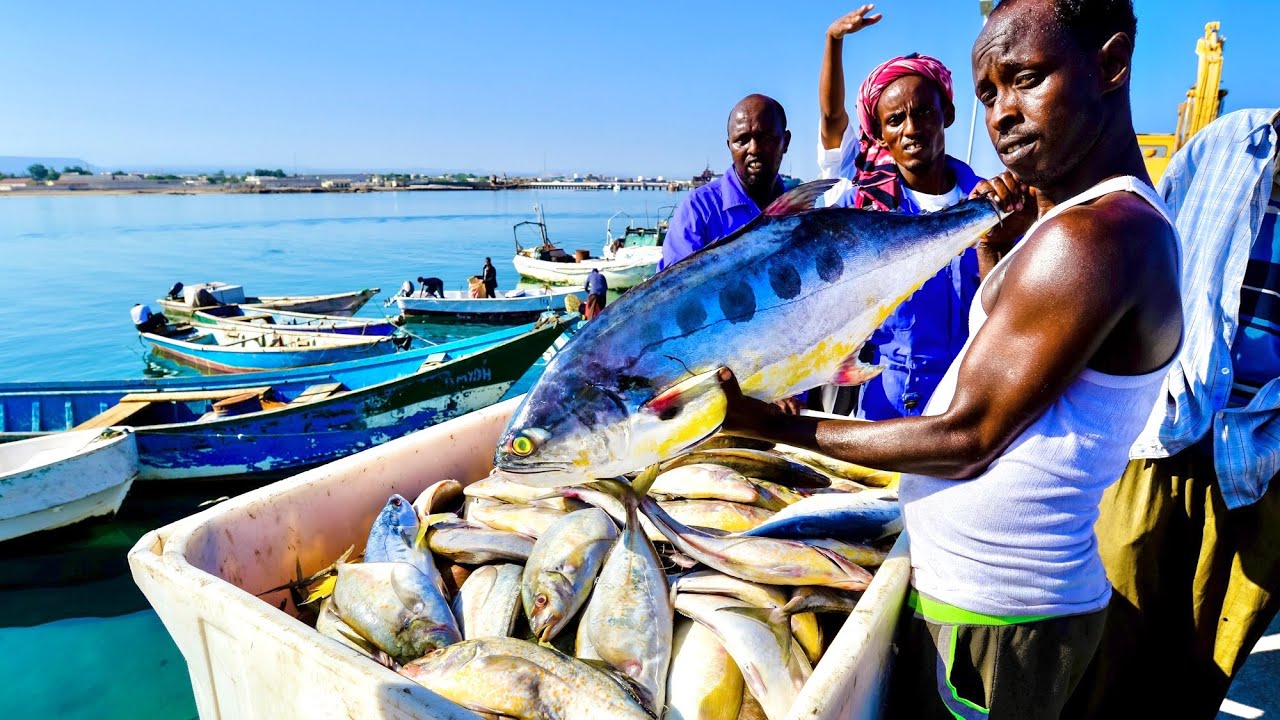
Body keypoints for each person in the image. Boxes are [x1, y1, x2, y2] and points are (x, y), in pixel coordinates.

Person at [717, 0, 1182, 716]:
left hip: (1000, 620)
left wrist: (762, 424)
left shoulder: (1097, 235)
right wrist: (1000, 243)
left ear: (1111, 65)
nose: (1001, 113)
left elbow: (967, 437)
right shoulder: (1082, 224)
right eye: (990, 91)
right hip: (991, 607)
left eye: (1027, 78)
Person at [1064, 108, 1280, 718]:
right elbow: (1150, 238)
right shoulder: (1229, 142)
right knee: (1109, 616)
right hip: (1169, 421)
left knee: (1211, 646)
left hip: (1267, 453)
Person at [813, 5, 1007, 419]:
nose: (911, 128)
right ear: (880, 133)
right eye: (895, 119)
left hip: (972, 409)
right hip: (888, 411)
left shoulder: (990, 203)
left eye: (923, 112)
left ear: (947, 115)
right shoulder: (862, 210)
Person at [659, 94, 791, 271]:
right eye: (742, 140)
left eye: (765, 137)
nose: (754, 149)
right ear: (730, 146)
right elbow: (674, 293)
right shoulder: (697, 210)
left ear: (785, 142)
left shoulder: (799, 210)